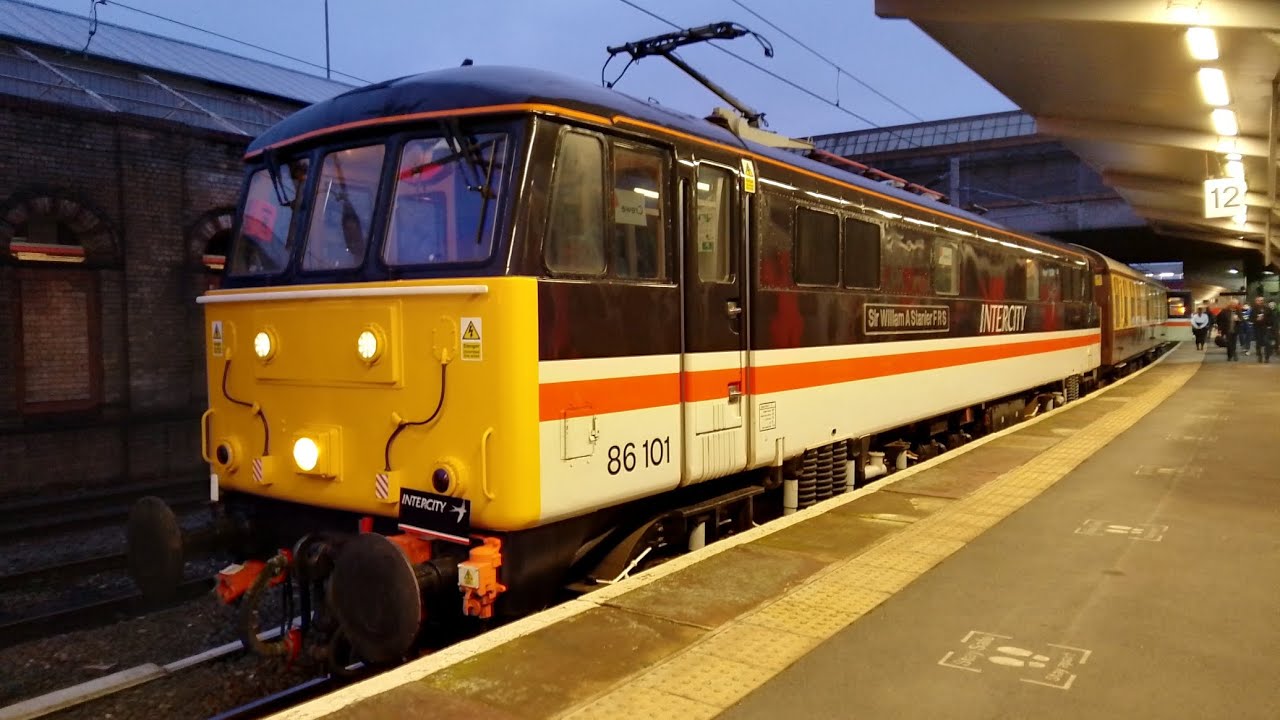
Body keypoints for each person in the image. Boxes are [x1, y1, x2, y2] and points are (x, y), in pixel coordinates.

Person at [1251, 296, 1273, 363]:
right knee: (1258, 343)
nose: (1261, 301)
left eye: (1262, 300)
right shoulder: (1253, 309)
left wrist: (1269, 324)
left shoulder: (1267, 308)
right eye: (1259, 300)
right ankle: (1259, 356)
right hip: (1257, 328)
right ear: (1256, 301)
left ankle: (1267, 357)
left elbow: (1271, 318)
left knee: (1267, 342)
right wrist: (1256, 319)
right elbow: (1251, 319)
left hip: (1266, 328)